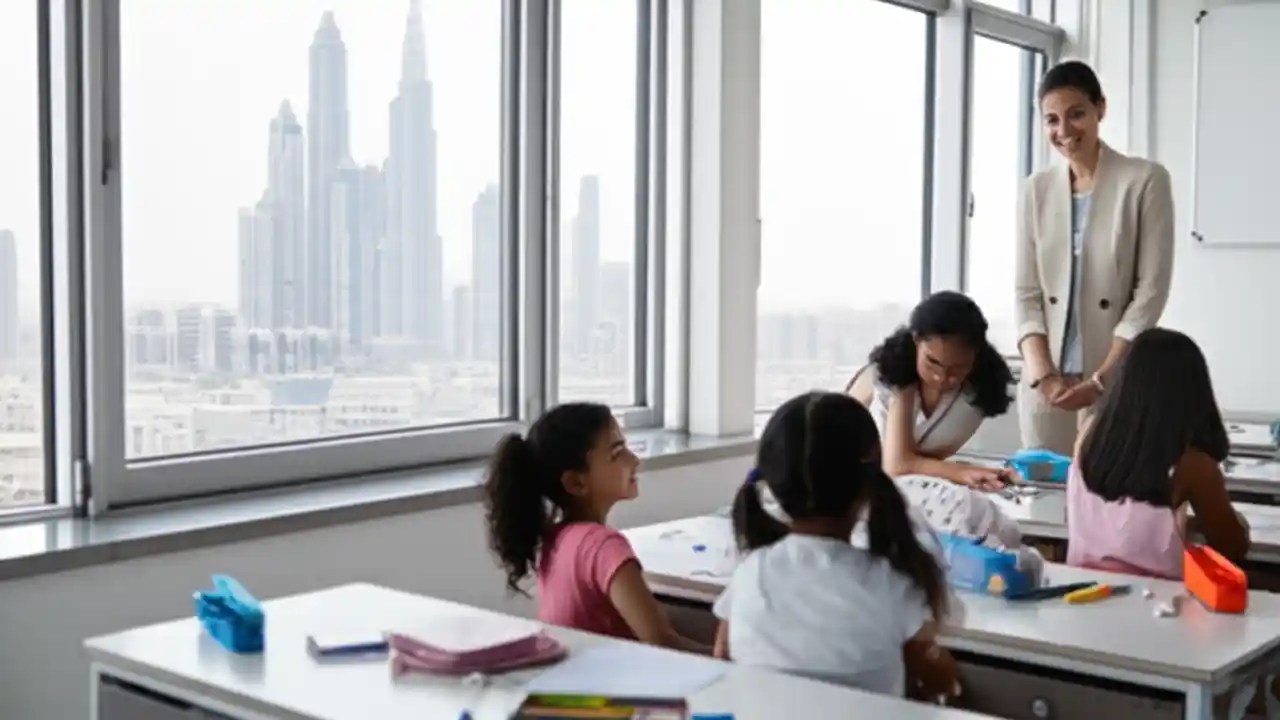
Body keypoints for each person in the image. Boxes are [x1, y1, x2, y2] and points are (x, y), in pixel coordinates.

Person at [712, 392, 958, 700]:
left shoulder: (751, 571)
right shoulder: (890, 583)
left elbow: (723, 653)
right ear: (869, 477)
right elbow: (935, 677)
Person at [1015, 60, 1175, 455]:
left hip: (1114, 378)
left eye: (1076, 115)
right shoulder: (1036, 189)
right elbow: (1026, 292)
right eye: (1052, 120)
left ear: (1100, 109)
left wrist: (1103, 378)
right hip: (1045, 384)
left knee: (1110, 497)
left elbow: (1149, 294)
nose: (1064, 132)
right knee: (1045, 502)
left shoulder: (1144, 180)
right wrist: (1044, 376)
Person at [482, 402, 707, 652]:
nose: (634, 460)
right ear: (576, 482)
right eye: (617, 452)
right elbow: (660, 640)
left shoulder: (555, 540)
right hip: (616, 686)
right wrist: (733, 663)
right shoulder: (604, 546)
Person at [1067, 328, 1250, 579]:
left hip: (1082, 589)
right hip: (1156, 604)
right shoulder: (1192, 464)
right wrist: (1238, 521)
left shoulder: (1089, 434)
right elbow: (1232, 547)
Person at [847, 291, 1014, 490]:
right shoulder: (890, 374)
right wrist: (960, 471)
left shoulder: (979, 394)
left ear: (975, 356)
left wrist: (968, 472)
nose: (941, 377)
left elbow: (926, 460)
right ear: (916, 341)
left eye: (957, 368)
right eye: (932, 362)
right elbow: (897, 465)